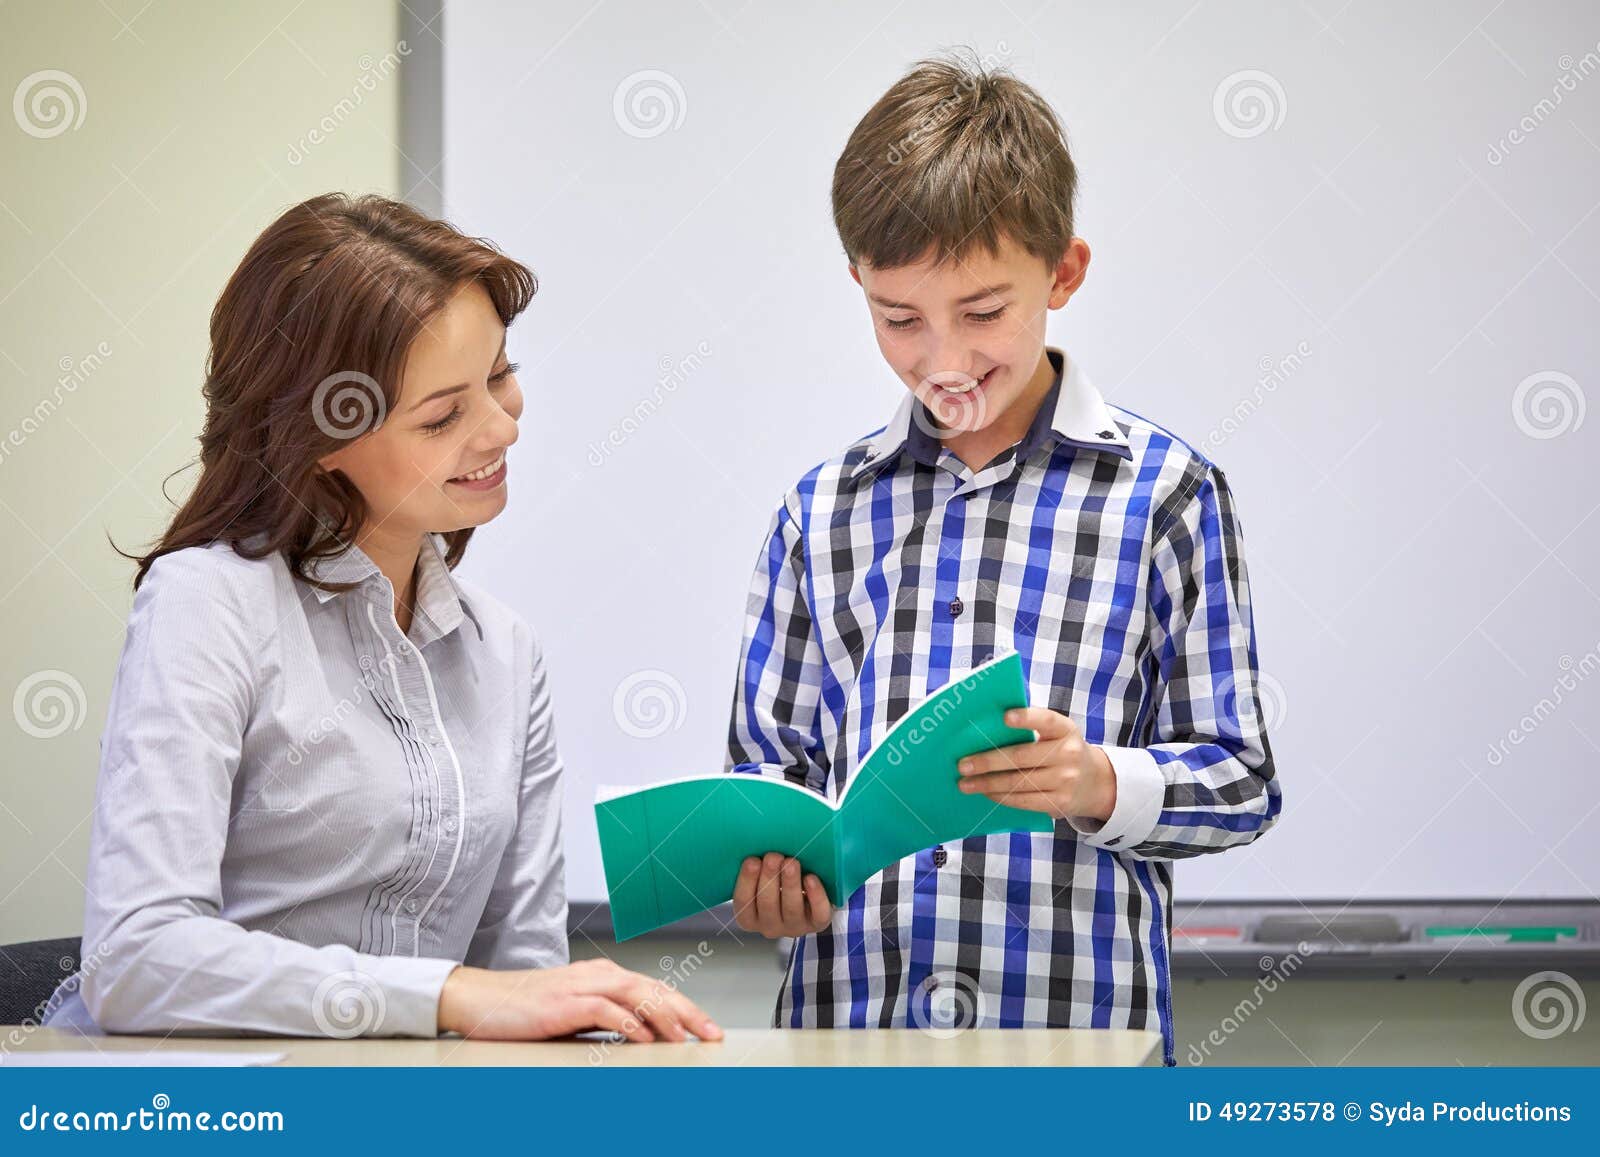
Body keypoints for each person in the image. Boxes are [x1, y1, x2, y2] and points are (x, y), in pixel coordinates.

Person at [42, 193, 720, 1044]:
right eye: (443, 415)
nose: (502, 426)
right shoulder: (205, 604)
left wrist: (592, 1021)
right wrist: (449, 997)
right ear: (319, 437)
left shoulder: (505, 652)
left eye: (501, 375)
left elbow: (524, 983)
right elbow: (136, 961)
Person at [725, 55, 1281, 1067]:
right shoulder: (819, 512)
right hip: (846, 1053)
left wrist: (1099, 780)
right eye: (898, 318)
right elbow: (769, 773)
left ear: (1063, 272)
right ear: (858, 282)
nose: (941, 357)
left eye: (982, 312)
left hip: (1080, 1055)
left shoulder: (1167, 496)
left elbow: (1239, 779)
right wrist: (768, 869)